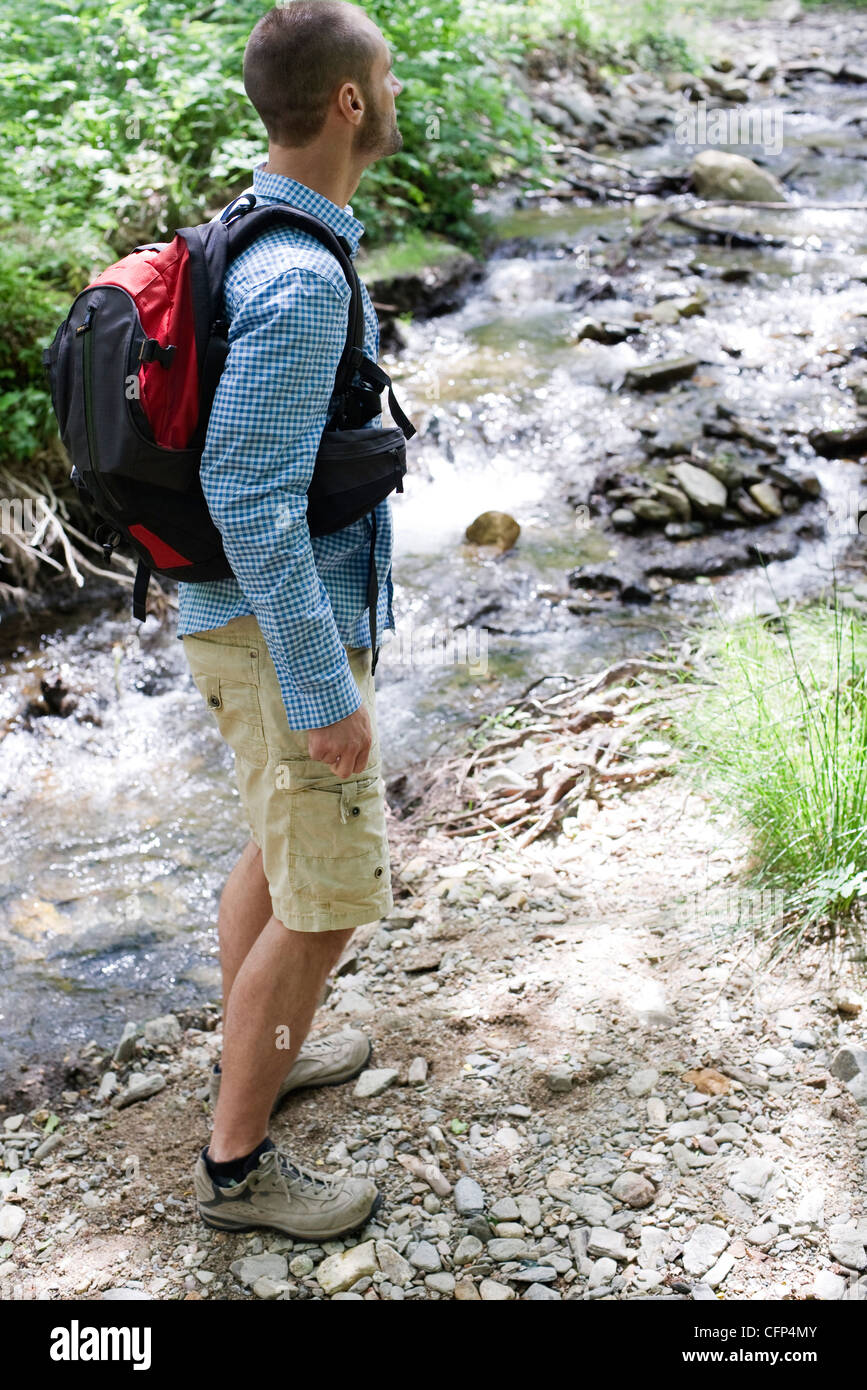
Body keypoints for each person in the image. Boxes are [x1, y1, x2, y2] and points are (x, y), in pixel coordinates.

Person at [179, 0, 403, 1240]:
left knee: (277, 856)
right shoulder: (299, 274)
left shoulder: (247, 231)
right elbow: (250, 496)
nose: (395, 89)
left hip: (244, 619)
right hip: (279, 630)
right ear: (351, 102)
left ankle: (259, 1053)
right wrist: (326, 690)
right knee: (326, 904)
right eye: (389, 74)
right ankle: (240, 1164)